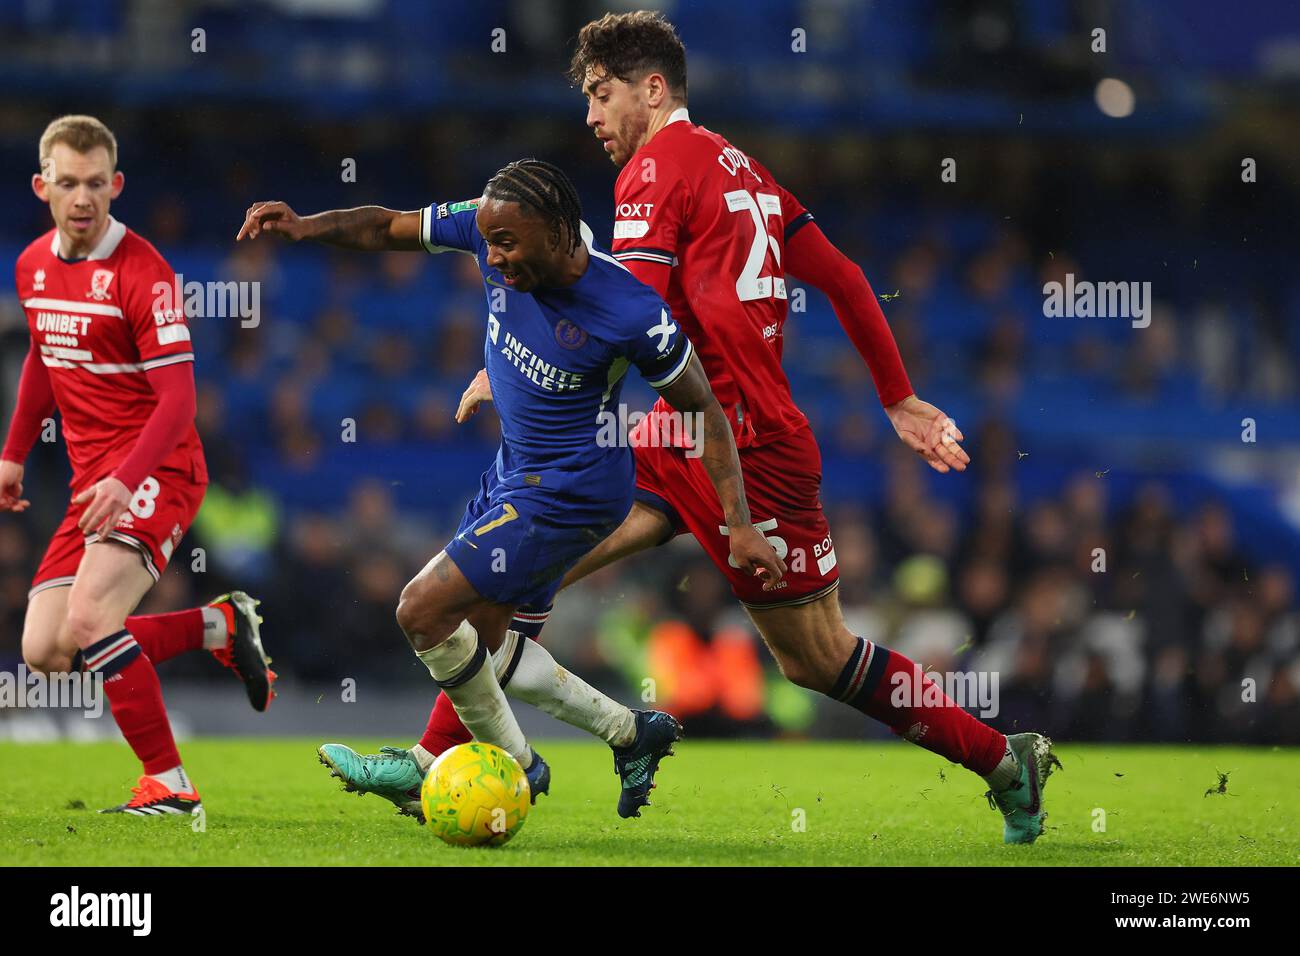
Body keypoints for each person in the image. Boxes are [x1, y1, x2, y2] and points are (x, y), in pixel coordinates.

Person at [372, 12, 1061, 844]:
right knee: (516, 563)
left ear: (652, 89)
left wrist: (515, 361)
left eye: (601, 94)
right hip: (676, 435)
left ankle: (1002, 760)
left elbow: (637, 312)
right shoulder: (743, 169)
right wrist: (897, 395)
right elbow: (842, 278)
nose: (591, 117)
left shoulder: (653, 173)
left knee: (815, 658)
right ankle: (433, 758)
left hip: (749, 443)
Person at [236, 158, 785, 816]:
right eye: (489, 243)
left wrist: (739, 522)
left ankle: (516, 768)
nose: (493, 259)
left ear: (560, 233)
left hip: (571, 490)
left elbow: (705, 413)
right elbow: (386, 226)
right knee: (485, 641)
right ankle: (630, 732)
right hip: (513, 472)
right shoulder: (491, 222)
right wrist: (306, 225)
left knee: (422, 610)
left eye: (508, 245)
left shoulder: (629, 309)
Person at [0, 115, 275, 816]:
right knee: (46, 650)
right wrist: (13, 455)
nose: (83, 197)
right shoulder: (32, 265)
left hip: (159, 470)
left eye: (96, 183)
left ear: (116, 185)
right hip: (95, 482)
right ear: (43, 187)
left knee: (91, 618)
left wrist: (127, 480)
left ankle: (171, 787)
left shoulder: (144, 274)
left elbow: (180, 401)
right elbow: (41, 357)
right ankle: (219, 627)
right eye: (68, 183)